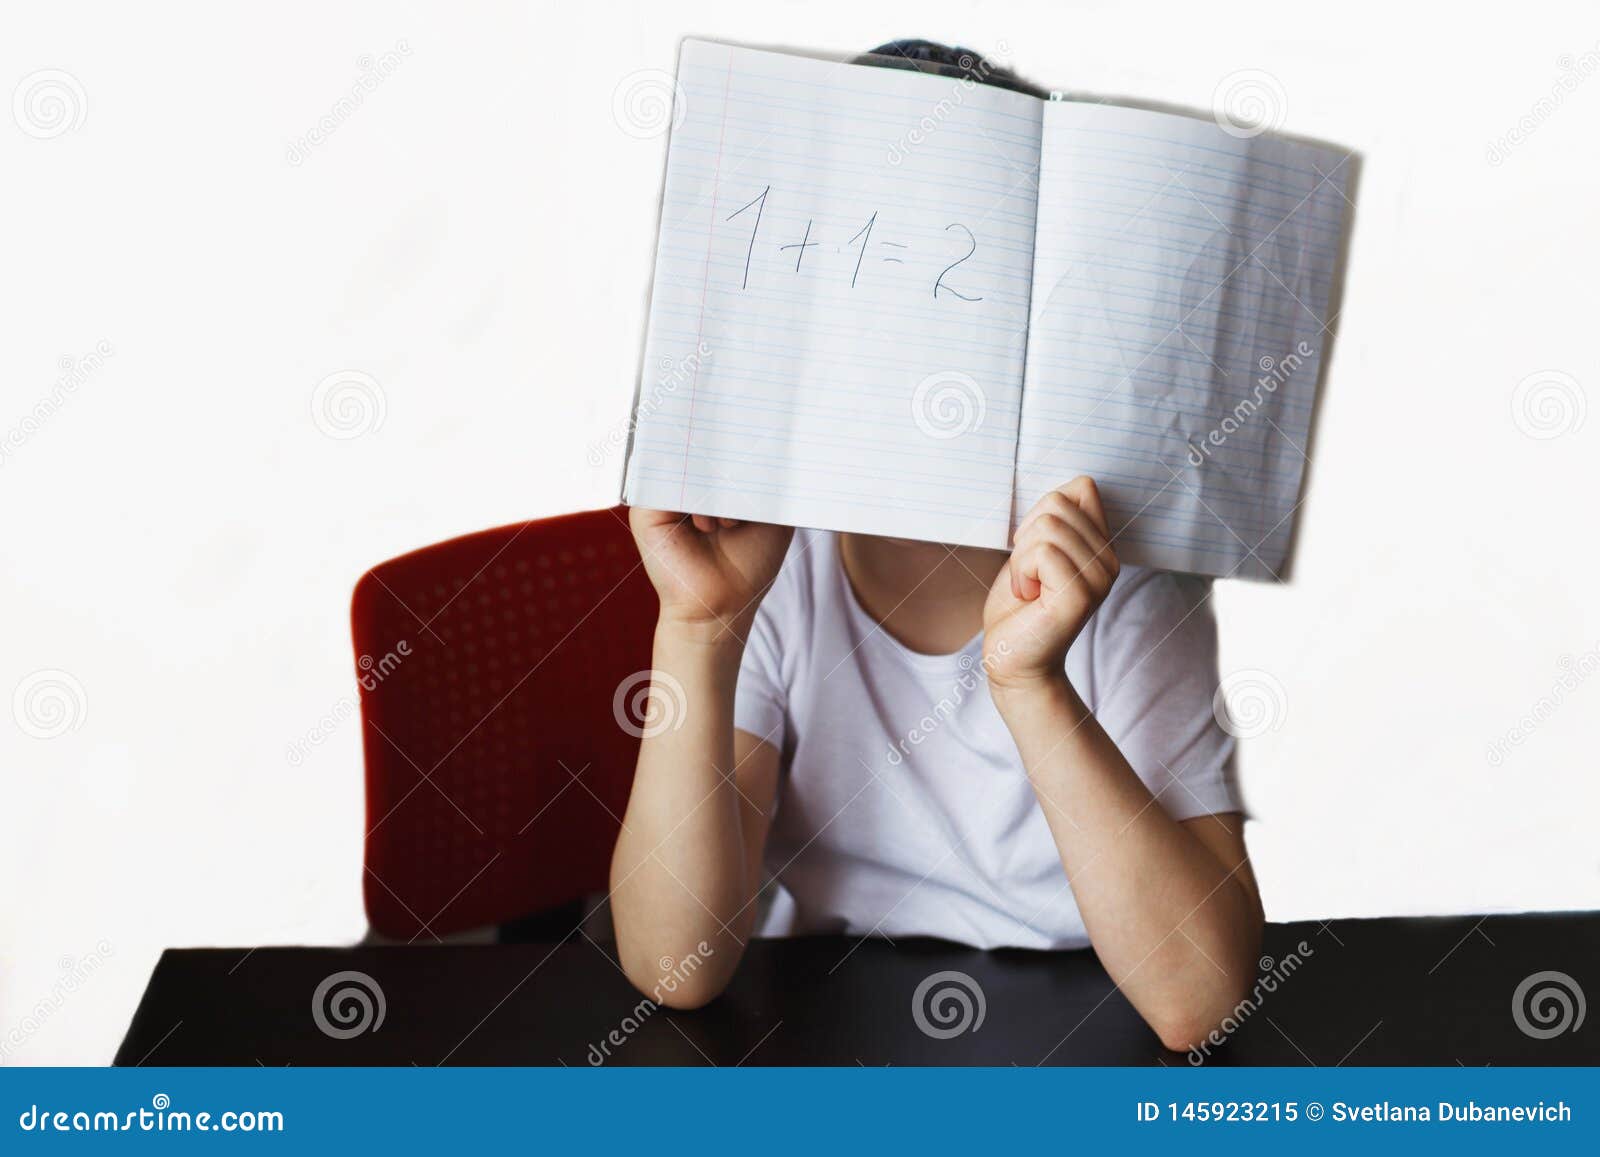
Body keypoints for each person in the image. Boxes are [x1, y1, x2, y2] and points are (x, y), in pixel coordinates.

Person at [608, 42, 1263, 1053]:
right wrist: (702, 627)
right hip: (822, 1015)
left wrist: (1028, 679)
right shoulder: (776, 570)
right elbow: (673, 966)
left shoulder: (1121, 579)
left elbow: (1200, 1001)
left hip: (1087, 1020)